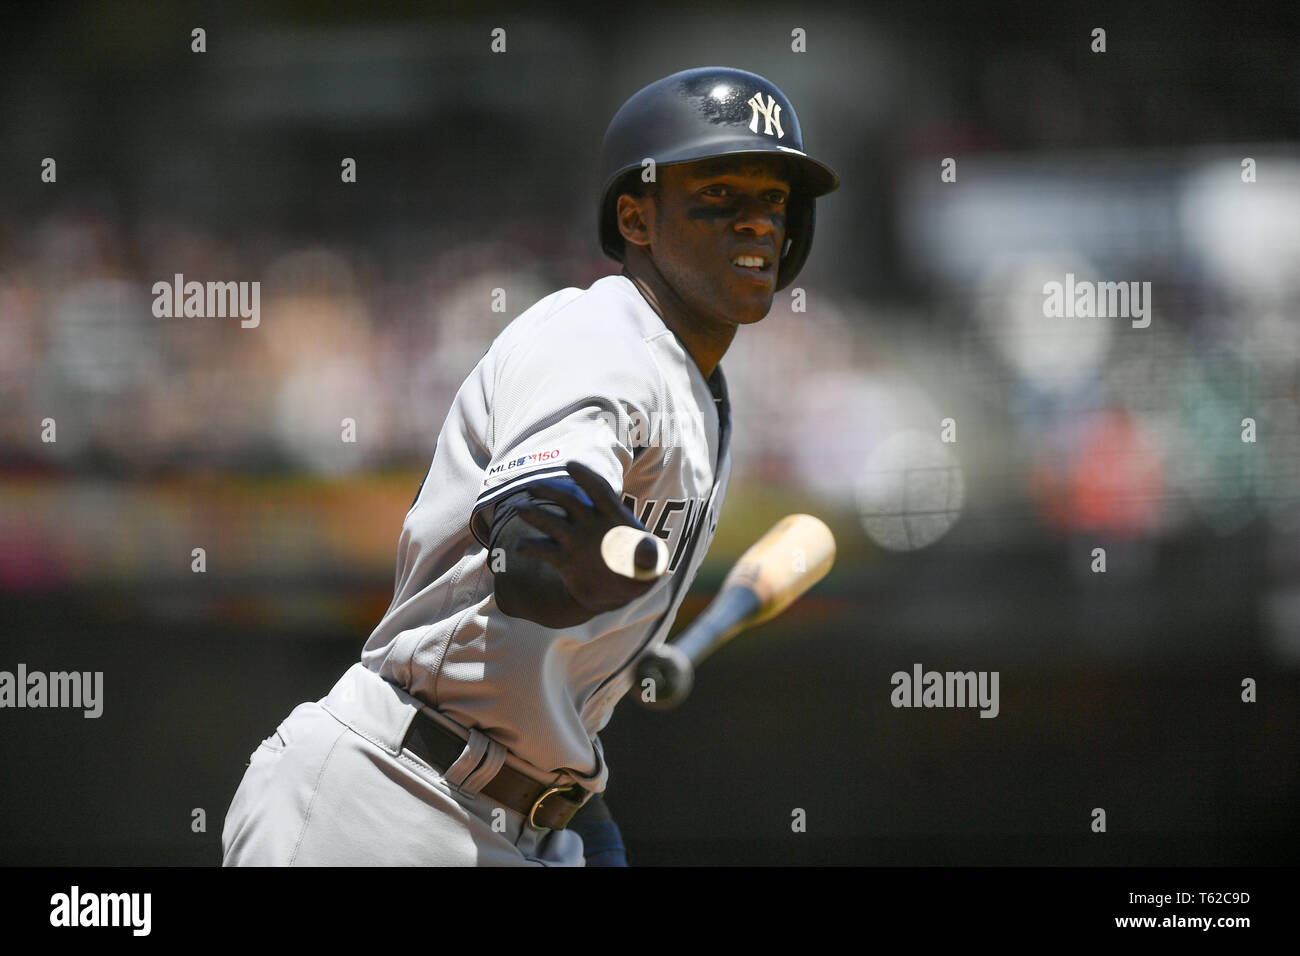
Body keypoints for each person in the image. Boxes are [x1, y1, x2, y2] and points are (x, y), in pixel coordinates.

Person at [221, 66, 838, 866]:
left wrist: (578, 800)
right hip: (387, 800)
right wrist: (565, 557)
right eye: (720, 196)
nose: (757, 223)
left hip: (506, 821)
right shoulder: (604, 334)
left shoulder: (699, 388)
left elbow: (536, 663)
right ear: (636, 218)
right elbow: (532, 545)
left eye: (773, 201)